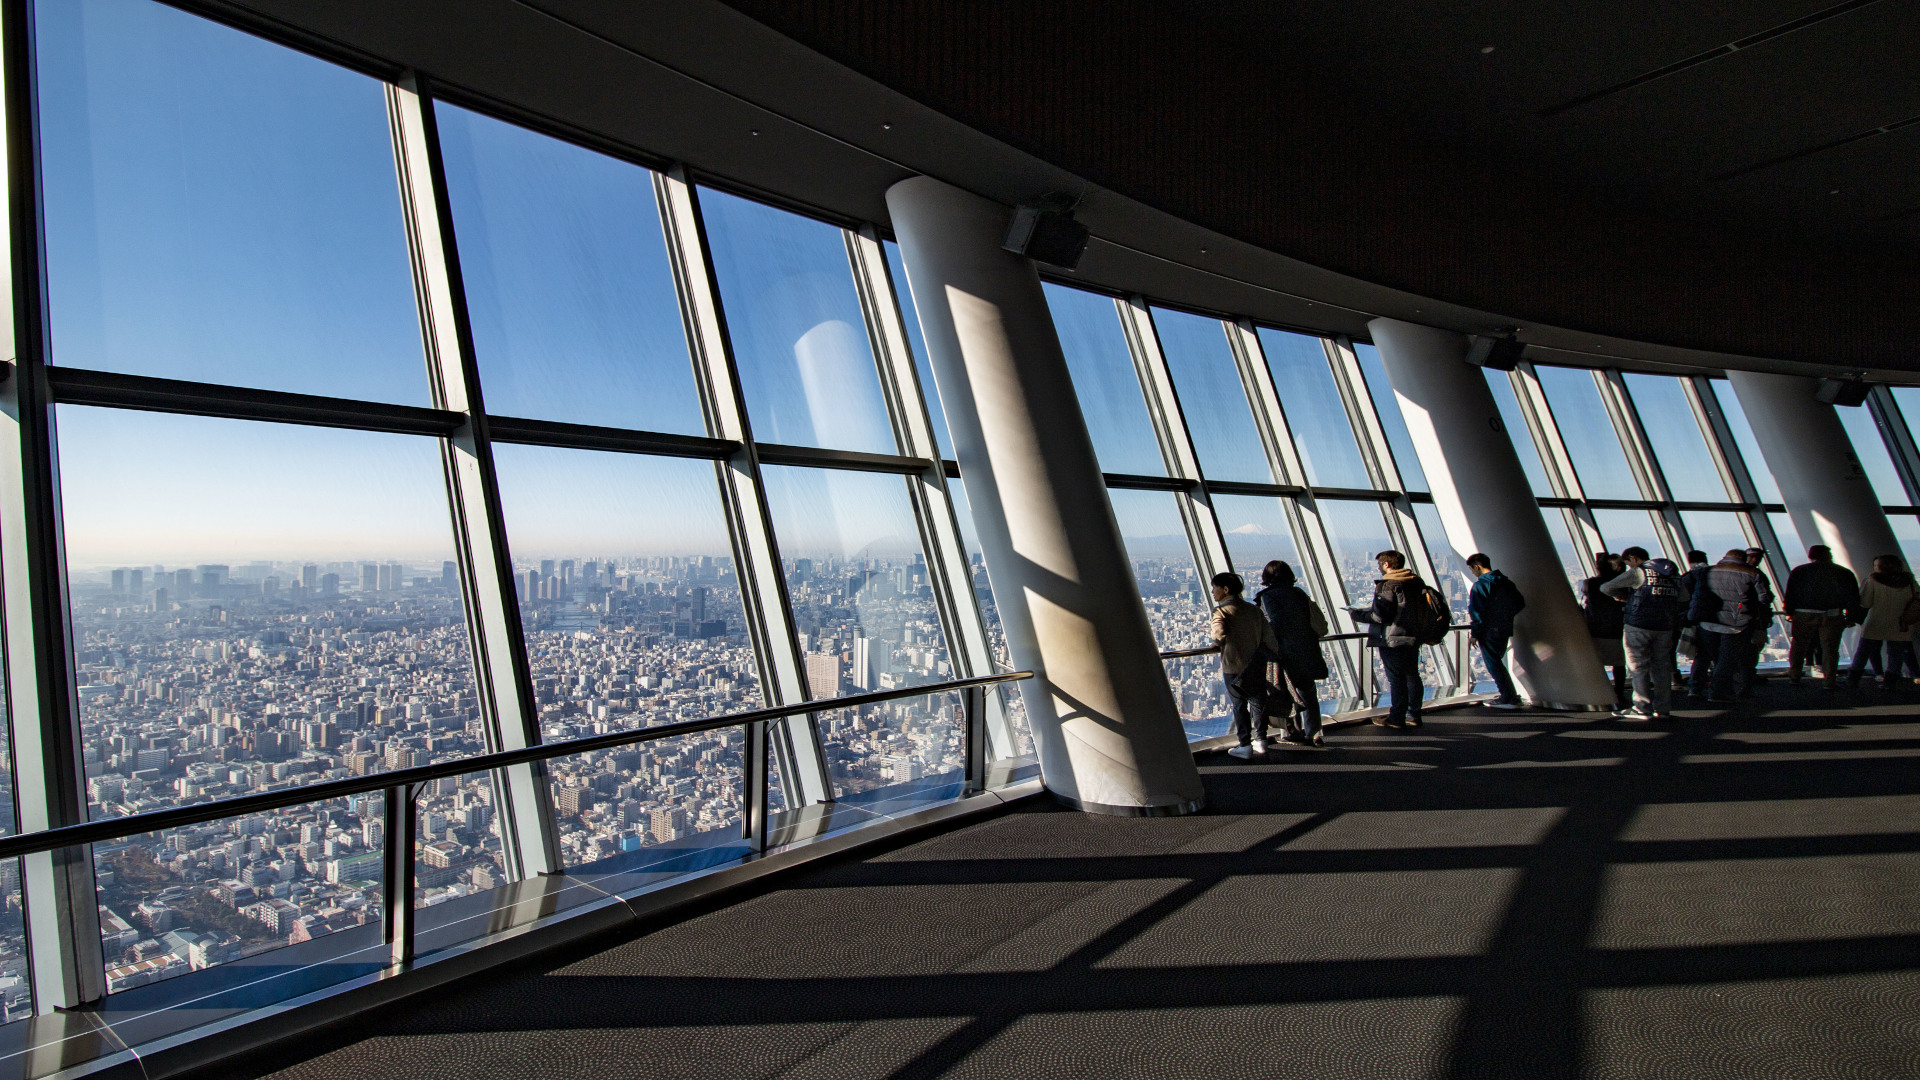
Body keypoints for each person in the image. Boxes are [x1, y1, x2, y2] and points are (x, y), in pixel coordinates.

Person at [1349, 550, 1432, 730]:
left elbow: (1379, 616)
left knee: (1396, 679)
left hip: (1392, 639)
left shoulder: (1387, 585)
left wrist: (1357, 614)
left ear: (1386, 565)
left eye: (1380, 564)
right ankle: (1414, 714)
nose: (1379, 567)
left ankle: (1396, 718)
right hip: (1413, 636)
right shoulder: (1416, 582)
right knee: (1412, 675)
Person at [1601, 547, 1684, 720]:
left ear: (1633, 558)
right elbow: (1684, 597)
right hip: (1665, 626)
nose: (1629, 567)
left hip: (1638, 624)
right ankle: (1663, 708)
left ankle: (1642, 707)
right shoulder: (1672, 574)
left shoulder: (1640, 572)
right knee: (1661, 667)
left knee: (1638, 666)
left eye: (1628, 563)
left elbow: (1606, 587)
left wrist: (1623, 597)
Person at [1253, 560, 1329, 747]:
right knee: (1308, 691)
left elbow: (1275, 623)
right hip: (1306, 648)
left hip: (1283, 651)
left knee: (1285, 692)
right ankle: (1314, 732)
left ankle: (1293, 731)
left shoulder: (1267, 597)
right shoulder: (1299, 593)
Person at [1209, 571, 1280, 757]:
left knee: (1239, 705)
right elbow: (1270, 639)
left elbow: (1218, 635)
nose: (1212, 592)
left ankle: (1244, 744)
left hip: (1233, 665)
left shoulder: (1222, 611)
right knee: (1257, 702)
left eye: (1214, 588)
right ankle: (1262, 740)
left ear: (1225, 590)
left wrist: (1218, 642)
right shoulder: (1254, 610)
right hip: (1256, 664)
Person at [1686, 548, 1768, 703]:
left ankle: (1695, 688)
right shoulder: (1752, 573)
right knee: (1726, 659)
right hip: (1736, 623)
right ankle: (1718, 691)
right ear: (1744, 559)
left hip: (1707, 620)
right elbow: (1764, 598)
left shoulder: (1707, 571)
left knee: (1703, 655)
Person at [1783, 545, 1859, 687]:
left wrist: (1789, 612)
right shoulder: (1843, 573)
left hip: (1803, 613)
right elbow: (1852, 596)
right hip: (1831, 614)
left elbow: (1790, 594)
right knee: (1830, 648)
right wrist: (1852, 616)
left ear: (1811, 556)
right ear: (1828, 556)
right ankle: (1829, 681)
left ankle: (1794, 676)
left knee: (1799, 645)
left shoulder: (1799, 571)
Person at [1847, 555, 1919, 690]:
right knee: (1895, 654)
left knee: (1864, 651)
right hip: (1901, 623)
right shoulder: (1908, 581)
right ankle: (1890, 682)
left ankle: (1853, 679)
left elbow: (1866, 602)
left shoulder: (1873, 581)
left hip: (1876, 621)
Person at [1465, 553, 1524, 709]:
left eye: (1472, 569)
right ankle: (1509, 695)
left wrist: (1475, 634)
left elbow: (1477, 612)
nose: (1473, 572)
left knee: (1493, 664)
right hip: (1504, 628)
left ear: (1477, 566)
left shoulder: (1480, 586)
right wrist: (1504, 617)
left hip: (1488, 631)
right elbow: (1519, 603)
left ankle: (1507, 697)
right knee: (1497, 662)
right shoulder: (1505, 582)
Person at [1582, 552, 1628, 703]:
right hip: (1617, 628)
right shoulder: (1623, 584)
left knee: (1596, 661)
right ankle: (1619, 691)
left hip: (1594, 627)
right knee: (1619, 662)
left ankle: (1596, 690)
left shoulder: (1591, 583)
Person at [1679, 550, 1717, 698]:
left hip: (1693, 620)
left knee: (1701, 655)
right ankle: (1716, 685)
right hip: (1714, 619)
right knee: (1717, 655)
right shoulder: (1713, 576)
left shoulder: (1687, 579)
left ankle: (1695, 687)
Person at [1740, 547, 1778, 689]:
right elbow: (1765, 597)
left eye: (1758, 558)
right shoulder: (1756, 574)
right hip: (1756, 617)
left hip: (1744, 616)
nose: (1755, 560)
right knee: (1753, 646)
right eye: (1753, 557)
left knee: (1749, 646)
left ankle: (1745, 673)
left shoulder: (1741, 573)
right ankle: (1747, 674)